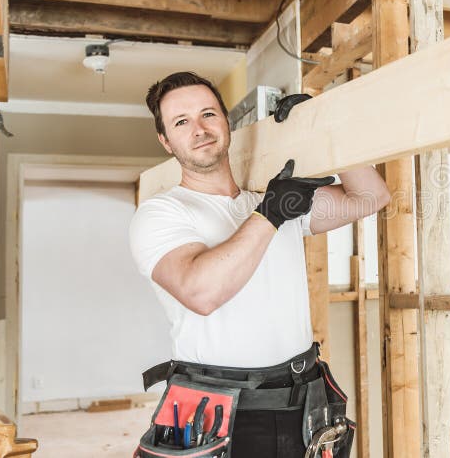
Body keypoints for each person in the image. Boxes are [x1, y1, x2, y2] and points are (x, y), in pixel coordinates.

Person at [129, 71, 390, 457]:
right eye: (182, 122)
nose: (199, 129)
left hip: (301, 399)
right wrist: (270, 214)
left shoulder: (269, 200)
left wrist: (321, 123)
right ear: (166, 141)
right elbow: (202, 292)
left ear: (227, 123)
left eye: (208, 114)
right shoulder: (161, 213)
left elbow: (371, 196)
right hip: (220, 412)